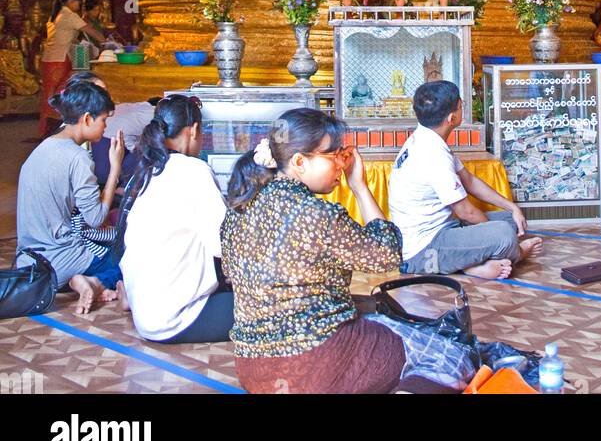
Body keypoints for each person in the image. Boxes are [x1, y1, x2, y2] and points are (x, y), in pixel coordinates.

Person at [220, 108, 406, 394]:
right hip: (314, 364)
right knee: (436, 354)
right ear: (298, 161)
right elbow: (387, 255)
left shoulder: (237, 211)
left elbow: (230, 275)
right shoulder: (316, 214)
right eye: (332, 156)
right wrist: (359, 187)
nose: (340, 165)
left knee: (377, 310)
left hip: (253, 368)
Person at [388, 80, 542, 279]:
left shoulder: (427, 137)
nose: (463, 109)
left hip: (445, 228)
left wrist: (512, 208)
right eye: (461, 107)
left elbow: (469, 181)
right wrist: (497, 236)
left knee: (509, 220)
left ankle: (473, 264)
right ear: (452, 118)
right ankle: (515, 255)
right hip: (422, 251)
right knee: (504, 234)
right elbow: (466, 212)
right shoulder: (432, 154)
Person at [119, 94, 234, 344]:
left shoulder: (151, 170)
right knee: (275, 307)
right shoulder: (194, 171)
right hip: (178, 319)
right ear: (193, 131)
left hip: (146, 314)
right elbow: (223, 244)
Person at [16, 78, 126, 315]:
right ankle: (93, 282)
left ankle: (77, 280)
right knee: (130, 258)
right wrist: (115, 168)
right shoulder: (78, 157)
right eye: (104, 120)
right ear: (87, 118)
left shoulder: (44, 147)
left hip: (28, 259)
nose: (105, 127)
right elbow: (95, 218)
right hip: (60, 257)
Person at [38, 0, 105, 137]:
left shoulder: (55, 15)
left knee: (49, 94)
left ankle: (45, 131)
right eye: (78, 2)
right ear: (71, 1)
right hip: (60, 60)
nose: (78, 6)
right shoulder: (68, 15)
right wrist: (106, 42)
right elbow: (90, 30)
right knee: (59, 94)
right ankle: (52, 130)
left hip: (48, 59)